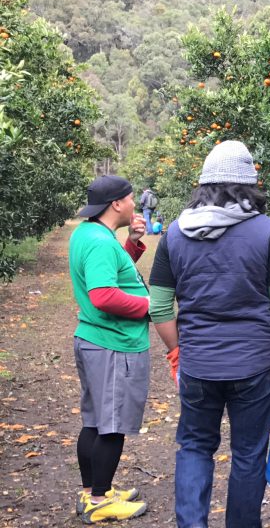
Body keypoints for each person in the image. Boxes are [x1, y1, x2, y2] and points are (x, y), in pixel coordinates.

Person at [148, 140, 270, 528]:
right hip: (253, 368)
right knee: (248, 453)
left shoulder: (174, 235)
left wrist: (177, 352)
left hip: (198, 365)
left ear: (203, 185)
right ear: (249, 186)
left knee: (194, 447)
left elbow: (159, 308)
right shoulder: (267, 232)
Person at [68, 175, 151, 523]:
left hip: (93, 340)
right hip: (113, 343)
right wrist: (150, 305)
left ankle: (92, 492)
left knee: (95, 421)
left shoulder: (88, 234)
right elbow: (103, 295)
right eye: (131, 199)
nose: (135, 205)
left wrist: (131, 244)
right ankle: (100, 502)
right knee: (112, 426)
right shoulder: (101, 242)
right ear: (117, 204)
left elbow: (109, 276)